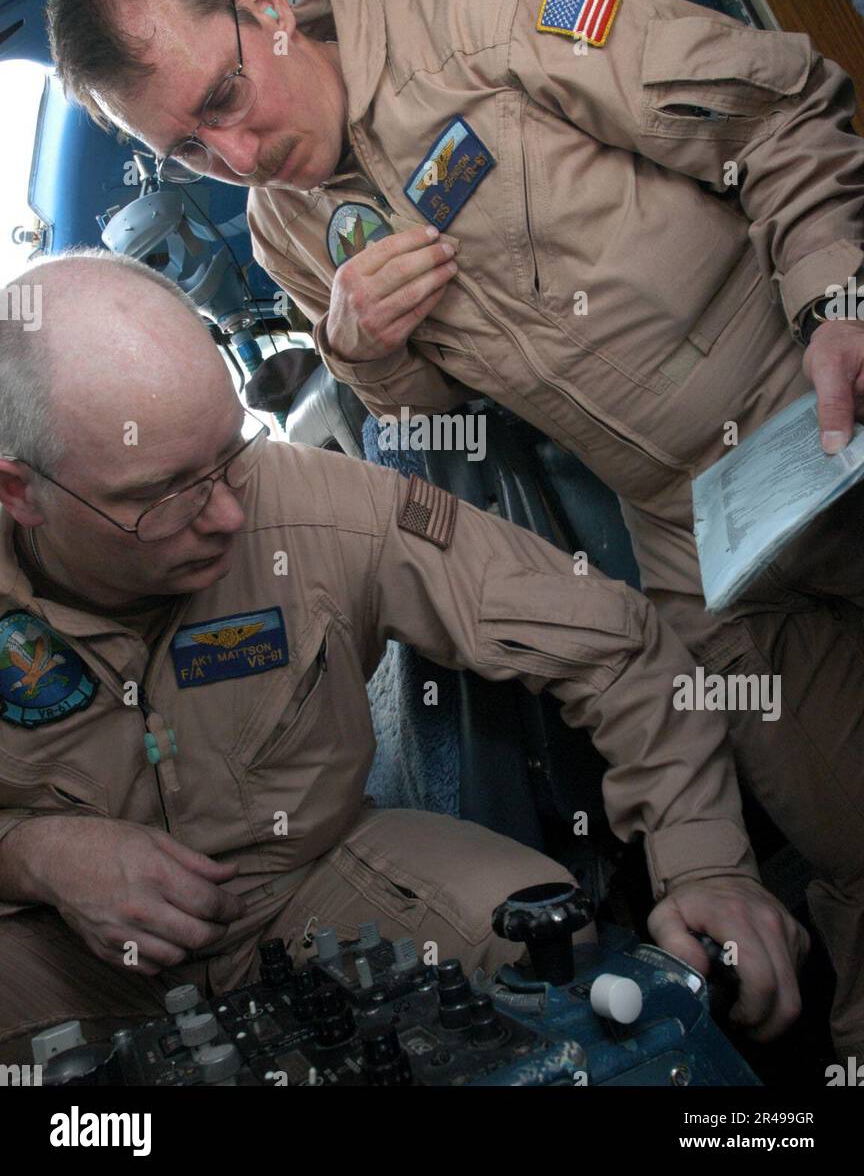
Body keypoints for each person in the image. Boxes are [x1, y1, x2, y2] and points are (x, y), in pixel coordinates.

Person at [45, 0, 864, 1062]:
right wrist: (373, 358)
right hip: (693, 536)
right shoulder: (289, 235)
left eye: (227, 94)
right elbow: (445, 428)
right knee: (846, 844)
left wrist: (837, 300)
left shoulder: (496, 14)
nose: (235, 154)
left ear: (262, 2)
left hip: (816, 392)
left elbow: (778, 109)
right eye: (187, 149)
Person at [0, 252, 804, 1064]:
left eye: (230, 452)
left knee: (551, 952)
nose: (230, 513)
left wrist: (708, 868)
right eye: (166, 493)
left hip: (305, 881)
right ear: (19, 491)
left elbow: (615, 644)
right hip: (60, 951)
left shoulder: (316, 507)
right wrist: (36, 856)